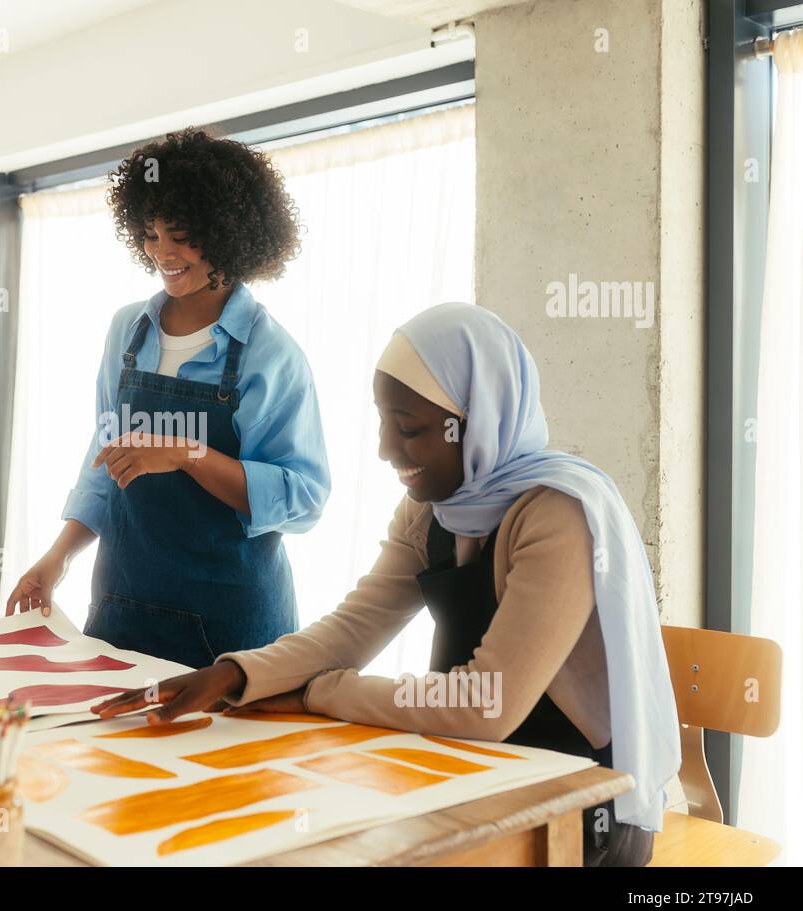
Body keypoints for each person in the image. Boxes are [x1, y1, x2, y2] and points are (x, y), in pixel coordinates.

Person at [94, 302, 680, 866]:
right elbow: (354, 627)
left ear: (476, 421)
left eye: (410, 428)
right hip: (473, 768)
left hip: (575, 805)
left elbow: (485, 704)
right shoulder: (434, 510)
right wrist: (235, 674)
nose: (384, 449)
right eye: (383, 422)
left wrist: (318, 695)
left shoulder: (558, 514)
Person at [5, 128, 330, 669]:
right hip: (123, 606)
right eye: (152, 235)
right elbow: (105, 465)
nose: (164, 253)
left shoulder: (269, 354)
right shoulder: (127, 332)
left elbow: (303, 498)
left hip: (230, 623)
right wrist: (55, 561)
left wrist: (186, 453)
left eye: (181, 235)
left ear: (229, 235)